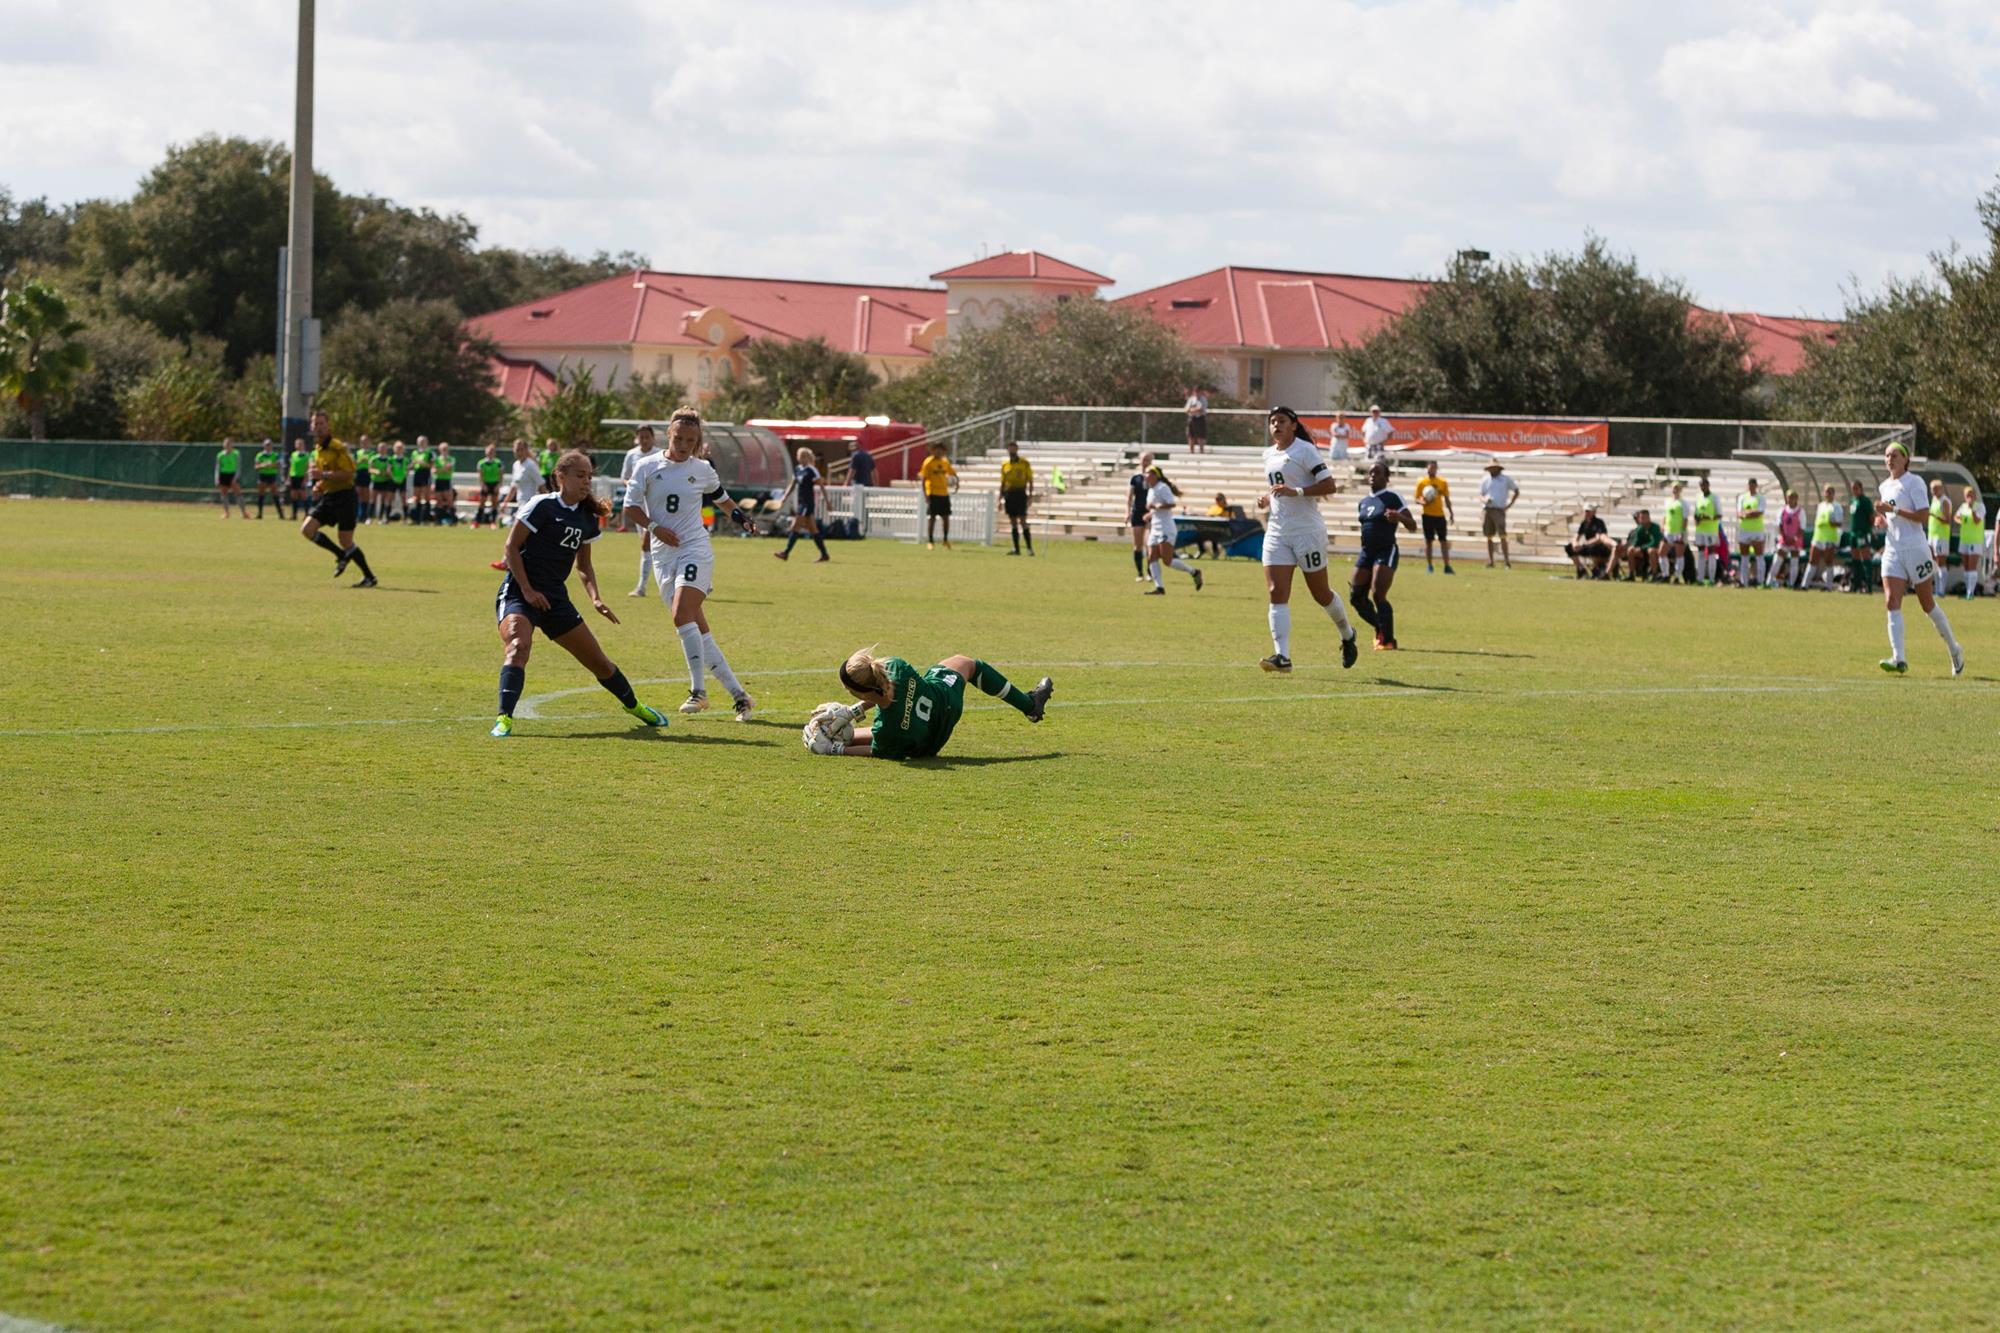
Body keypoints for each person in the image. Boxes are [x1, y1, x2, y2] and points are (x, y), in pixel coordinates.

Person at [490, 449, 671, 739]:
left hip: (555, 599)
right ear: (560, 476)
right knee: (518, 646)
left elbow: (583, 565)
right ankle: (504, 718)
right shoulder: (542, 506)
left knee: (599, 662)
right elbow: (511, 548)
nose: (587, 481)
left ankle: (635, 706)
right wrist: (527, 589)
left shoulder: (587, 518)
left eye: (589, 476)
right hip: (519, 593)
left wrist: (595, 598)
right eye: (580, 475)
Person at [622, 405, 759, 720]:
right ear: (668, 435)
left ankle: (698, 692)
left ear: (697, 442)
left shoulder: (702, 469)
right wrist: (655, 529)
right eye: (679, 438)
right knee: (697, 628)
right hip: (662, 553)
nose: (683, 445)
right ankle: (740, 696)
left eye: (690, 440)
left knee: (682, 613)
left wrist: (744, 520)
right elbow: (630, 508)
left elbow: (723, 500)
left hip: (694, 549)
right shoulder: (645, 466)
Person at [1255, 406, 1359, 673]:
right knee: (1275, 592)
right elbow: (1277, 486)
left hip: (1306, 532)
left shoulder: (1305, 450)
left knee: (1320, 594)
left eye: (1281, 421)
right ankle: (1283, 657)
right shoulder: (1268, 454)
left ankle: (1347, 634)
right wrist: (1267, 498)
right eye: (1272, 422)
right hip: (1277, 532)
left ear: (1293, 425)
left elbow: (1329, 485)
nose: (1276, 425)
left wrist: (1296, 491)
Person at [814, 649, 1053, 759]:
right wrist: (854, 710)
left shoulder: (887, 730)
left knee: (851, 737)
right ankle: (1030, 705)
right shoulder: (897, 668)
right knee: (968, 663)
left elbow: (877, 750)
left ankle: (832, 740)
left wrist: (839, 749)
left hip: (925, 745)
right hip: (944, 701)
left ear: (860, 692)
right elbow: (884, 689)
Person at [1874, 442, 1963, 675]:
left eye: (1894, 455)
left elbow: (1922, 516)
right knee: (1891, 600)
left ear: (1905, 459)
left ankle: (1954, 649)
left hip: (1915, 548)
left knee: (1927, 604)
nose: (1889, 459)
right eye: (1886, 455)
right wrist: (1882, 520)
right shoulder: (1884, 486)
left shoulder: (1914, 482)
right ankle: (1898, 658)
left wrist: (1891, 511)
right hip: (1892, 549)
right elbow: (1892, 519)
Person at [297, 409, 377, 588]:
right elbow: (326, 477)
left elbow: (349, 473)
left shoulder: (337, 447)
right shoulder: (317, 450)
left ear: (328, 426)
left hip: (346, 497)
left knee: (346, 540)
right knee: (307, 529)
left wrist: (322, 474)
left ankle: (369, 577)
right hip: (329, 497)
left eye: (321, 424)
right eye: (315, 424)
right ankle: (341, 555)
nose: (318, 427)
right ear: (311, 426)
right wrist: (319, 485)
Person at [1352, 459, 1417, 650]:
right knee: (1356, 596)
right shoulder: (1363, 502)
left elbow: (1412, 526)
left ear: (1386, 478)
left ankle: (1388, 640)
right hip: (1366, 552)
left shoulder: (1392, 498)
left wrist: (1399, 517)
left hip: (1386, 550)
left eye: (1378, 473)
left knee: (1378, 592)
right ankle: (1380, 627)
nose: (1373, 475)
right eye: (1371, 472)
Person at [1141, 464, 1203, 595]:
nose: (1145, 475)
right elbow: (1156, 509)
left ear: (1155, 475)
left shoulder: (1162, 487)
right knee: (1151, 556)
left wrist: (1156, 506)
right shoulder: (1151, 489)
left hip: (1165, 527)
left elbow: (1171, 503)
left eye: (1148, 473)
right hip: (1155, 527)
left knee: (1167, 561)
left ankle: (1194, 572)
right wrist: (1150, 514)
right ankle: (1159, 588)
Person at [619, 426, 659, 595]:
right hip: (638, 506)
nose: (644, 440)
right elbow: (624, 477)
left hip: (656, 504)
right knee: (649, 546)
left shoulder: (659, 454)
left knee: (646, 544)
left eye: (647, 437)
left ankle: (641, 587)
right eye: (641, 437)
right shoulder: (631, 455)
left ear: (653, 438)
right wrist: (633, 485)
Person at [774, 446, 830, 562]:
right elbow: (793, 484)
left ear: (809, 458)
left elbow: (821, 486)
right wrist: (784, 497)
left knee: (796, 526)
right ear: (798, 458)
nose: (803, 459)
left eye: (805, 456)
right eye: (801, 456)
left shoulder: (811, 470)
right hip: (801, 503)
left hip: (808, 503)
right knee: (813, 530)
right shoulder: (798, 469)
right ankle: (824, 555)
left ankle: (785, 553)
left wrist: (827, 502)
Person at [1414, 459, 1455, 574]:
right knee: (1428, 541)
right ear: (1427, 468)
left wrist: (1451, 513)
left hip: (1440, 515)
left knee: (1443, 541)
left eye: (1434, 468)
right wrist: (1424, 503)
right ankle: (1429, 566)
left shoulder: (1442, 482)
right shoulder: (1422, 483)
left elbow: (1447, 499)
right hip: (1427, 515)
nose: (1432, 469)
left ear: (1436, 469)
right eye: (1430, 467)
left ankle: (1447, 566)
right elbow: (1417, 499)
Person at [1478, 460, 1519, 569]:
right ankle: (1491, 561)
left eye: (1493, 468)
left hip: (1499, 510)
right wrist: (1484, 500)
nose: (1492, 470)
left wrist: (1508, 505)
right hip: (1487, 509)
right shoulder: (1485, 479)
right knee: (1489, 536)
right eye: (1490, 468)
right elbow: (1480, 495)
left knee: (1502, 535)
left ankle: (1506, 562)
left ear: (1498, 469)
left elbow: (1516, 491)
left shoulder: (1505, 479)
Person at [919, 442, 958, 549]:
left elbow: (953, 475)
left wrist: (956, 483)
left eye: (941, 450)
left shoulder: (945, 462)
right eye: (937, 449)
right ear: (933, 450)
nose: (939, 451)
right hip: (933, 493)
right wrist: (926, 495)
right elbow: (923, 480)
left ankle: (945, 540)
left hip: (944, 494)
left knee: (946, 518)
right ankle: (930, 541)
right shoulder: (928, 462)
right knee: (932, 518)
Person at [1805, 484, 1844, 590]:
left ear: (1833, 494)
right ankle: (1804, 585)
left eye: (1830, 492)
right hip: (1818, 537)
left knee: (1828, 561)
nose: (1828, 494)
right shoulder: (1821, 505)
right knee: (1812, 560)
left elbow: (1839, 523)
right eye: (1827, 492)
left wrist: (1833, 523)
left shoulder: (1837, 507)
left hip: (1830, 538)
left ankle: (1828, 586)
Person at [998, 441, 1034, 556]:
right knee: (1013, 522)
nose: (1012, 450)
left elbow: (1030, 480)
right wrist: (1000, 498)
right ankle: (1016, 549)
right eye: (1010, 448)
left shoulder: (1024, 463)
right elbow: (1002, 483)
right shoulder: (1005, 465)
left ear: (1017, 449)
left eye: (1013, 448)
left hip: (1020, 493)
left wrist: (1030, 495)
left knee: (1023, 520)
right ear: (1007, 450)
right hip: (1009, 494)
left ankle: (1029, 548)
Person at [1732, 477, 1767, 587]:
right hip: (1744, 530)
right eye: (1750, 485)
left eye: (1753, 485)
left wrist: (1747, 513)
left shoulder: (1760, 498)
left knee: (1759, 556)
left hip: (1756, 530)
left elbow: (1759, 512)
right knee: (1744, 557)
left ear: (1756, 486)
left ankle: (1760, 581)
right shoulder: (1743, 498)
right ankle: (1744, 581)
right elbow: (1739, 514)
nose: (1751, 487)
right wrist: (1750, 513)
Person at [1563, 506, 1616, 579]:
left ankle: (1597, 568)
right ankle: (1580, 569)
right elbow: (1577, 535)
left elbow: (1598, 538)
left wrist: (1583, 544)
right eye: (1586, 511)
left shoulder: (1599, 522)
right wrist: (1575, 543)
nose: (1586, 513)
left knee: (1594, 548)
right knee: (1569, 547)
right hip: (1587, 546)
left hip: (1599, 547)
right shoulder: (1584, 523)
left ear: (1593, 512)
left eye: (1588, 511)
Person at [1126, 450, 1155, 580]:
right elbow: (1130, 496)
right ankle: (1139, 573)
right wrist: (1127, 511)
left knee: (1149, 543)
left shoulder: (1154, 477)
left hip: (1149, 514)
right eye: (1143, 459)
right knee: (1138, 545)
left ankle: (1150, 573)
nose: (1145, 462)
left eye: (1148, 459)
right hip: (1137, 513)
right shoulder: (1135, 477)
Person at [1769, 489, 1806, 589]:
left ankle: (1791, 583)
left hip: (1795, 540)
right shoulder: (1782, 510)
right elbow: (1779, 525)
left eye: (1793, 497)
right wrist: (1784, 537)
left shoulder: (1800, 511)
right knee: (1777, 560)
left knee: (1794, 562)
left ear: (1796, 499)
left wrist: (1794, 538)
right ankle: (1769, 581)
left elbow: (1802, 527)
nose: (1790, 499)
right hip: (1784, 540)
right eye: (1789, 497)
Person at [1690, 476, 1722, 586]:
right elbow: (1695, 513)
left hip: (1711, 530)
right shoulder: (1698, 497)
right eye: (1701, 485)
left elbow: (1719, 515)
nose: (1703, 487)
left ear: (1708, 485)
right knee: (1700, 553)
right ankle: (1700, 578)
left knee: (1711, 552)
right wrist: (1697, 519)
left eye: (1704, 485)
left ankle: (1712, 579)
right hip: (1700, 529)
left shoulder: (1714, 498)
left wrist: (1708, 517)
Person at [500, 439, 542, 525]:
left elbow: (542, 485)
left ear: (526, 450)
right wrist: (505, 503)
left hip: (531, 505)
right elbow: (513, 487)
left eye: (521, 449)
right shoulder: (515, 465)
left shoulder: (531, 465)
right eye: (517, 450)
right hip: (521, 504)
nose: (519, 452)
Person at [1955, 487, 1986, 600]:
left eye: (1971, 494)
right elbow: (1956, 517)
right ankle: (1967, 591)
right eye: (1967, 494)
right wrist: (1960, 520)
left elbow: (1977, 521)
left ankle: (1970, 593)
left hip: (1975, 540)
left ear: (1975, 495)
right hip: (1964, 539)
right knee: (1966, 567)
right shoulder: (1963, 506)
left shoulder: (1980, 506)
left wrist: (1972, 508)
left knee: (1972, 567)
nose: (1969, 496)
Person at [1617, 509, 1663, 581]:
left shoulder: (1655, 527)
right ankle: (1631, 574)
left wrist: (1641, 548)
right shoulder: (1640, 528)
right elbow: (1636, 540)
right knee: (1630, 550)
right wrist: (1633, 547)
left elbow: (1655, 542)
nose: (1641, 520)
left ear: (1648, 518)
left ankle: (1654, 575)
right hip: (1644, 550)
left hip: (1656, 550)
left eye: (1643, 518)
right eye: (1640, 518)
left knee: (1651, 551)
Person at [1927, 479, 1953, 599]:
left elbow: (1947, 520)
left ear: (1940, 489)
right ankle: (1937, 590)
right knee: (1934, 563)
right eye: (1931, 489)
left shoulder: (1945, 501)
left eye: (1934, 489)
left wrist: (1933, 515)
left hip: (1941, 536)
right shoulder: (1934, 500)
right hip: (1932, 535)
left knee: (1941, 562)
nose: (1932, 492)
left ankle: (1942, 591)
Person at [1660, 482, 1689, 584]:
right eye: (1673, 487)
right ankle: (1665, 574)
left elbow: (1685, 519)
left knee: (1679, 555)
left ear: (1680, 490)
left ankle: (1677, 576)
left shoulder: (1683, 503)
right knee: (1662, 552)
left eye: (1677, 488)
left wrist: (1682, 532)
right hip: (1668, 531)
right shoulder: (1667, 501)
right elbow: (1664, 515)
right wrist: (1662, 525)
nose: (1675, 489)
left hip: (1678, 531)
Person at [214, 438, 248, 518]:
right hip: (223, 475)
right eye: (225, 443)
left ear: (232, 444)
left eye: (229, 443)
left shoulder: (236, 453)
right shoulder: (220, 455)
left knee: (238, 493)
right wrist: (217, 478)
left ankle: (244, 513)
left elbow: (238, 466)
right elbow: (217, 468)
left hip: (233, 474)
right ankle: (226, 513)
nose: (227, 445)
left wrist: (235, 478)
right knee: (224, 494)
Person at [474, 444, 505, 528]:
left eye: (492, 452)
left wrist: (498, 485)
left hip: (495, 484)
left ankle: (493, 522)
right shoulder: (481, 463)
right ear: (486, 453)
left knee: (494, 503)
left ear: (494, 453)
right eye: (488, 452)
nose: (490, 453)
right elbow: (480, 476)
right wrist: (483, 485)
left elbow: (501, 475)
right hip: (485, 484)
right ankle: (477, 522)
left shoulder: (499, 463)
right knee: (481, 503)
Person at [252, 439, 283, 518]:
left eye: (269, 445)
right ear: (263, 446)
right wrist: (263, 465)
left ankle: (280, 514)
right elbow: (256, 466)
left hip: (272, 475)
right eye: (266, 445)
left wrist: (272, 465)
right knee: (261, 494)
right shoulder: (259, 455)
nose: (268, 446)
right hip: (262, 475)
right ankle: (260, 514)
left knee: (275, 494)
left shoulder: (275, 455)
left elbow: (279, 465)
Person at [408, 436, 434, 525]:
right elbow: (410, 465)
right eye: (420, 442)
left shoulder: (429, 453)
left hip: (425, 474)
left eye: (423, 441)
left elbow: (431, 466)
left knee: (426, 497)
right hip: (417, 474)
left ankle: (426, 519)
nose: (422, 443)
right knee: (417, 496)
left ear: (427, 443)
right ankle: (417, 519)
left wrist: (423, 463)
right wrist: (412, 464)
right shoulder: (414, 453)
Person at [432, 440, 456, 526]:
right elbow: (434, 471)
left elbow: (448, 469)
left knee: (450, 501)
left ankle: (452, 520)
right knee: (439, 501)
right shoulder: (437, 460)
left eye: (446, 449)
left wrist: (440, 470)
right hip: (438, 481)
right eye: (443, 449)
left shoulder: (451, 459)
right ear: (440, 450)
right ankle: (438, 520)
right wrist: (442, 469)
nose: (444, 451)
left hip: (447, 480)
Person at [287, 437, 311, 519]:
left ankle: (307, 514)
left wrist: (306, 478)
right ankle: (294, 514)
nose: (298, 445)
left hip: (302, 476)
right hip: (294, 476)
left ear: (303, 445)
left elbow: (308, 468)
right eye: (297, 444)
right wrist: (289, 477)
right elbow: (291, 466)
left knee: (303, 495)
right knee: (294, 495)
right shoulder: (293, 454)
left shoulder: (307, 455)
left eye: (300, 444)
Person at [1183, 386, 1209, 454]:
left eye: (1198, 391)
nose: (1197, 393)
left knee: (1201, 436)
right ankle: (1191, 452)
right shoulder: (1191, 399)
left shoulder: (1203, 399)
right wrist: (1194, 409)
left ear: (1201, 392)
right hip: (1192, 419)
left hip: (1200, 419)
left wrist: (1192, 409)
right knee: (1190, 436)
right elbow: (1186, 410)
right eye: (1195, 391)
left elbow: (1201, 409)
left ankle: (1201, 452)